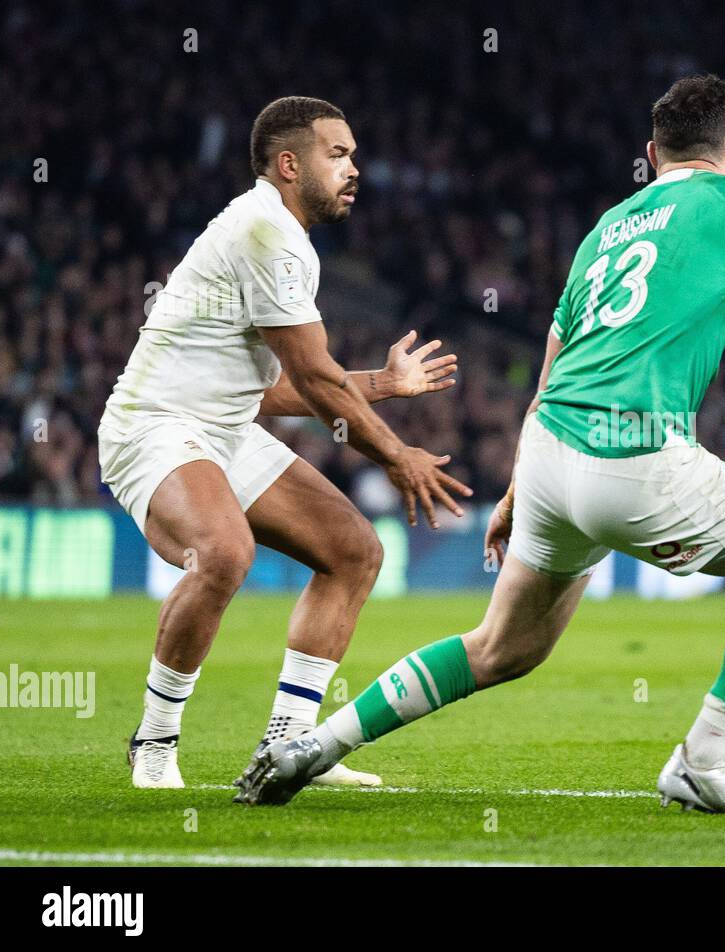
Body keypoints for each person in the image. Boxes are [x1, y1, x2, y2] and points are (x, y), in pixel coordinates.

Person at [234, 76, 725, 815]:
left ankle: (316, 742)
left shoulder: (605, 231)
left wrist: (516, 489)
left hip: (548, 451)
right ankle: (706, 762)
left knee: (500, 648)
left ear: (652, 157)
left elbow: (552, 365)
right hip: (635, 458)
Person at [99, 96, 471, 789]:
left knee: (354, 551)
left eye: (355, 155)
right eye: (339, 155)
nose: (355, 169)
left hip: (222, 426)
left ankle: (289, 745)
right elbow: (312, 374)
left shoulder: (283, 239)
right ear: (290, 163)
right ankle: (153, 742)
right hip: (154, 424)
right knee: (223, 552)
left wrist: (381, 385)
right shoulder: (265, 235)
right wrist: (396, 455)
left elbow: (272, 390)